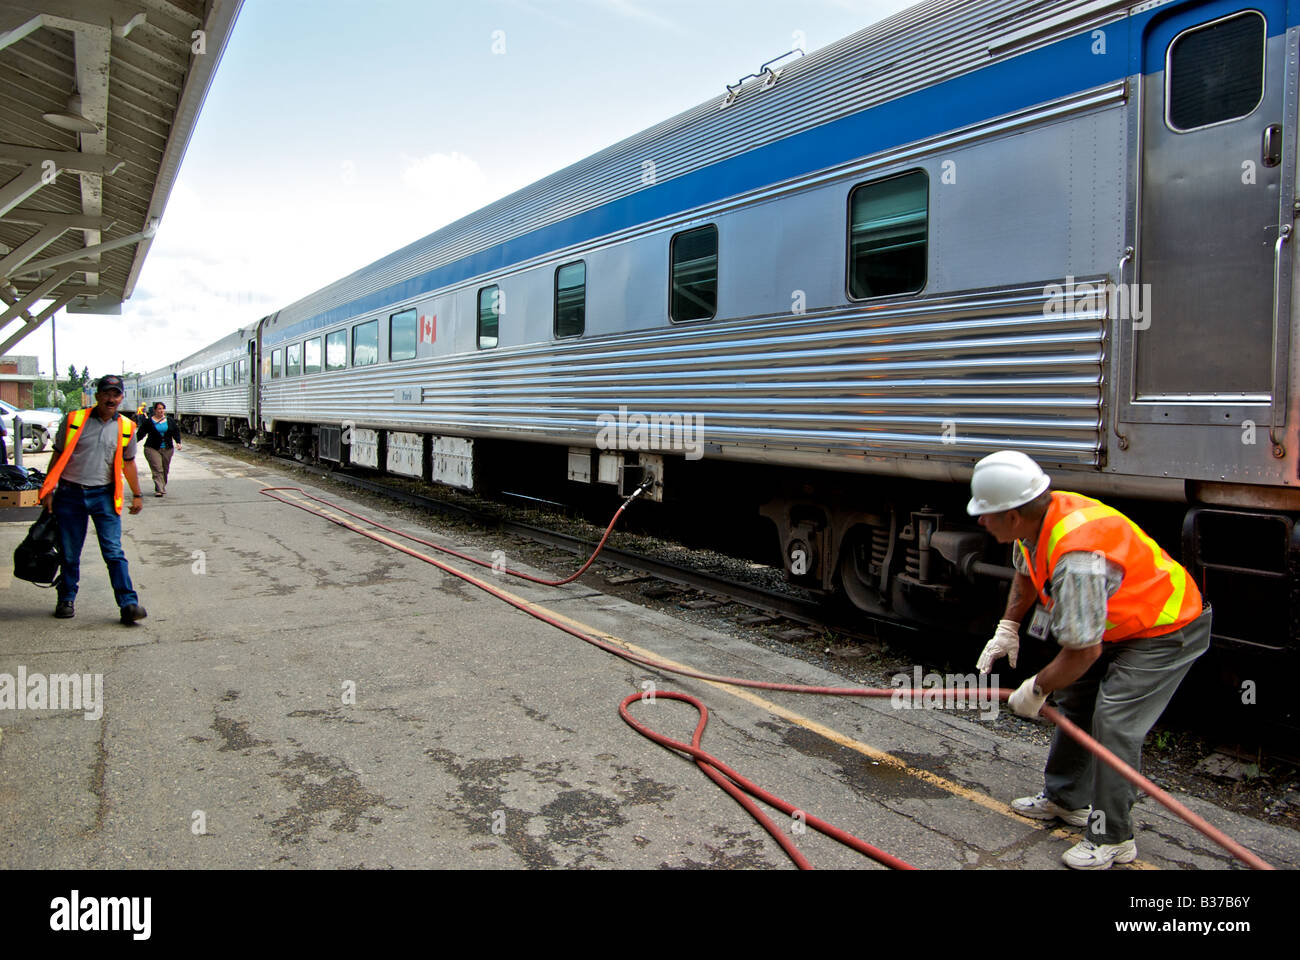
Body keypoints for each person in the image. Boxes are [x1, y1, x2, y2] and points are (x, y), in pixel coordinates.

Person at [967, 450, 1210, 870]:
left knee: (1114, 722)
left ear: (1014, 514)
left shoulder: (1077, 557)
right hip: (1118, 624)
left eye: (986, 514)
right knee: (1077, 700)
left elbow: (1084, 651)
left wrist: (1037, 687)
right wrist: (1007, 627)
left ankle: (1113, 837)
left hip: (1165, 630)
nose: (979, 522)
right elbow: (1026, 570)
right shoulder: (1035, 525)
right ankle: (1065, 800)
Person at [38, 375, 147, 625]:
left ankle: (128, 604)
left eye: (116, 394)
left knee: (114, 552)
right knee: (69, 553)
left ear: (121, 398)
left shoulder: (128, 427)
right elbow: (57, 455)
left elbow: (128, 463)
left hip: (105, 496)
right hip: (70, 494)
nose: (111, 399)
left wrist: (137, 494)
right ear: (97, 396)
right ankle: (66, 598)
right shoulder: (75, 420)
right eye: (107, 394)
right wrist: (48, 490)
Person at [137, 401, 181, 496]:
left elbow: (176, 431)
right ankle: (159, 489)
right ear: (155, 410)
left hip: (167, 448)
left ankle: (162, 485)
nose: (161, 411)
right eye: (159, 409)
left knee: (165, 469)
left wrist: (178, 442)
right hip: (152, 448)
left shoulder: (169, 420)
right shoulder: (149, 422)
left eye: (162, 409)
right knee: (157, 468)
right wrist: (132, 443)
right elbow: (141, 433)